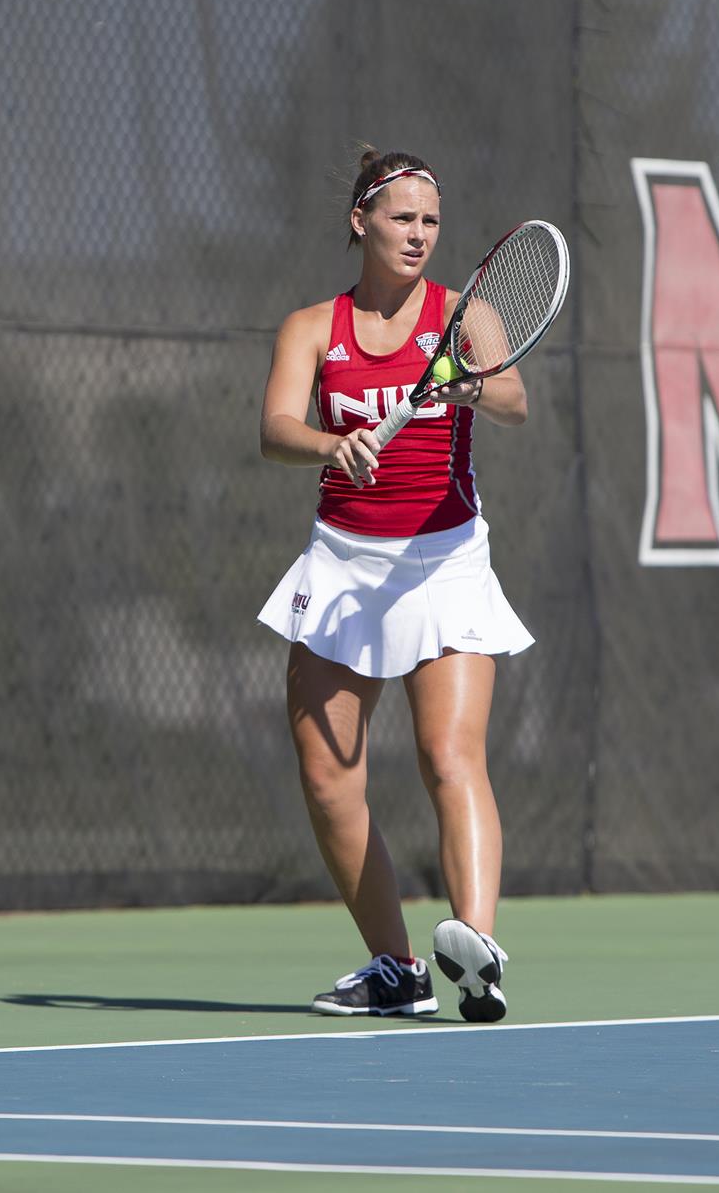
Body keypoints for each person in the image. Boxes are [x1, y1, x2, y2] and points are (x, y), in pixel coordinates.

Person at [256, 148, 531, 1022]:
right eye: (402, 217)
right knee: (327, 777)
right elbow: (275, 428)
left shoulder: (463, 316)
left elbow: (515, 400)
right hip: (343, 562)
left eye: (430, 221)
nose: (418, 234)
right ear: (361, 221)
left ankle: (477, 950)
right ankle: (397, 969)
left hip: (446, 558)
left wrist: (470, 384)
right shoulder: (312, 327)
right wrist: (331, 443)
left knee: (449, 755)